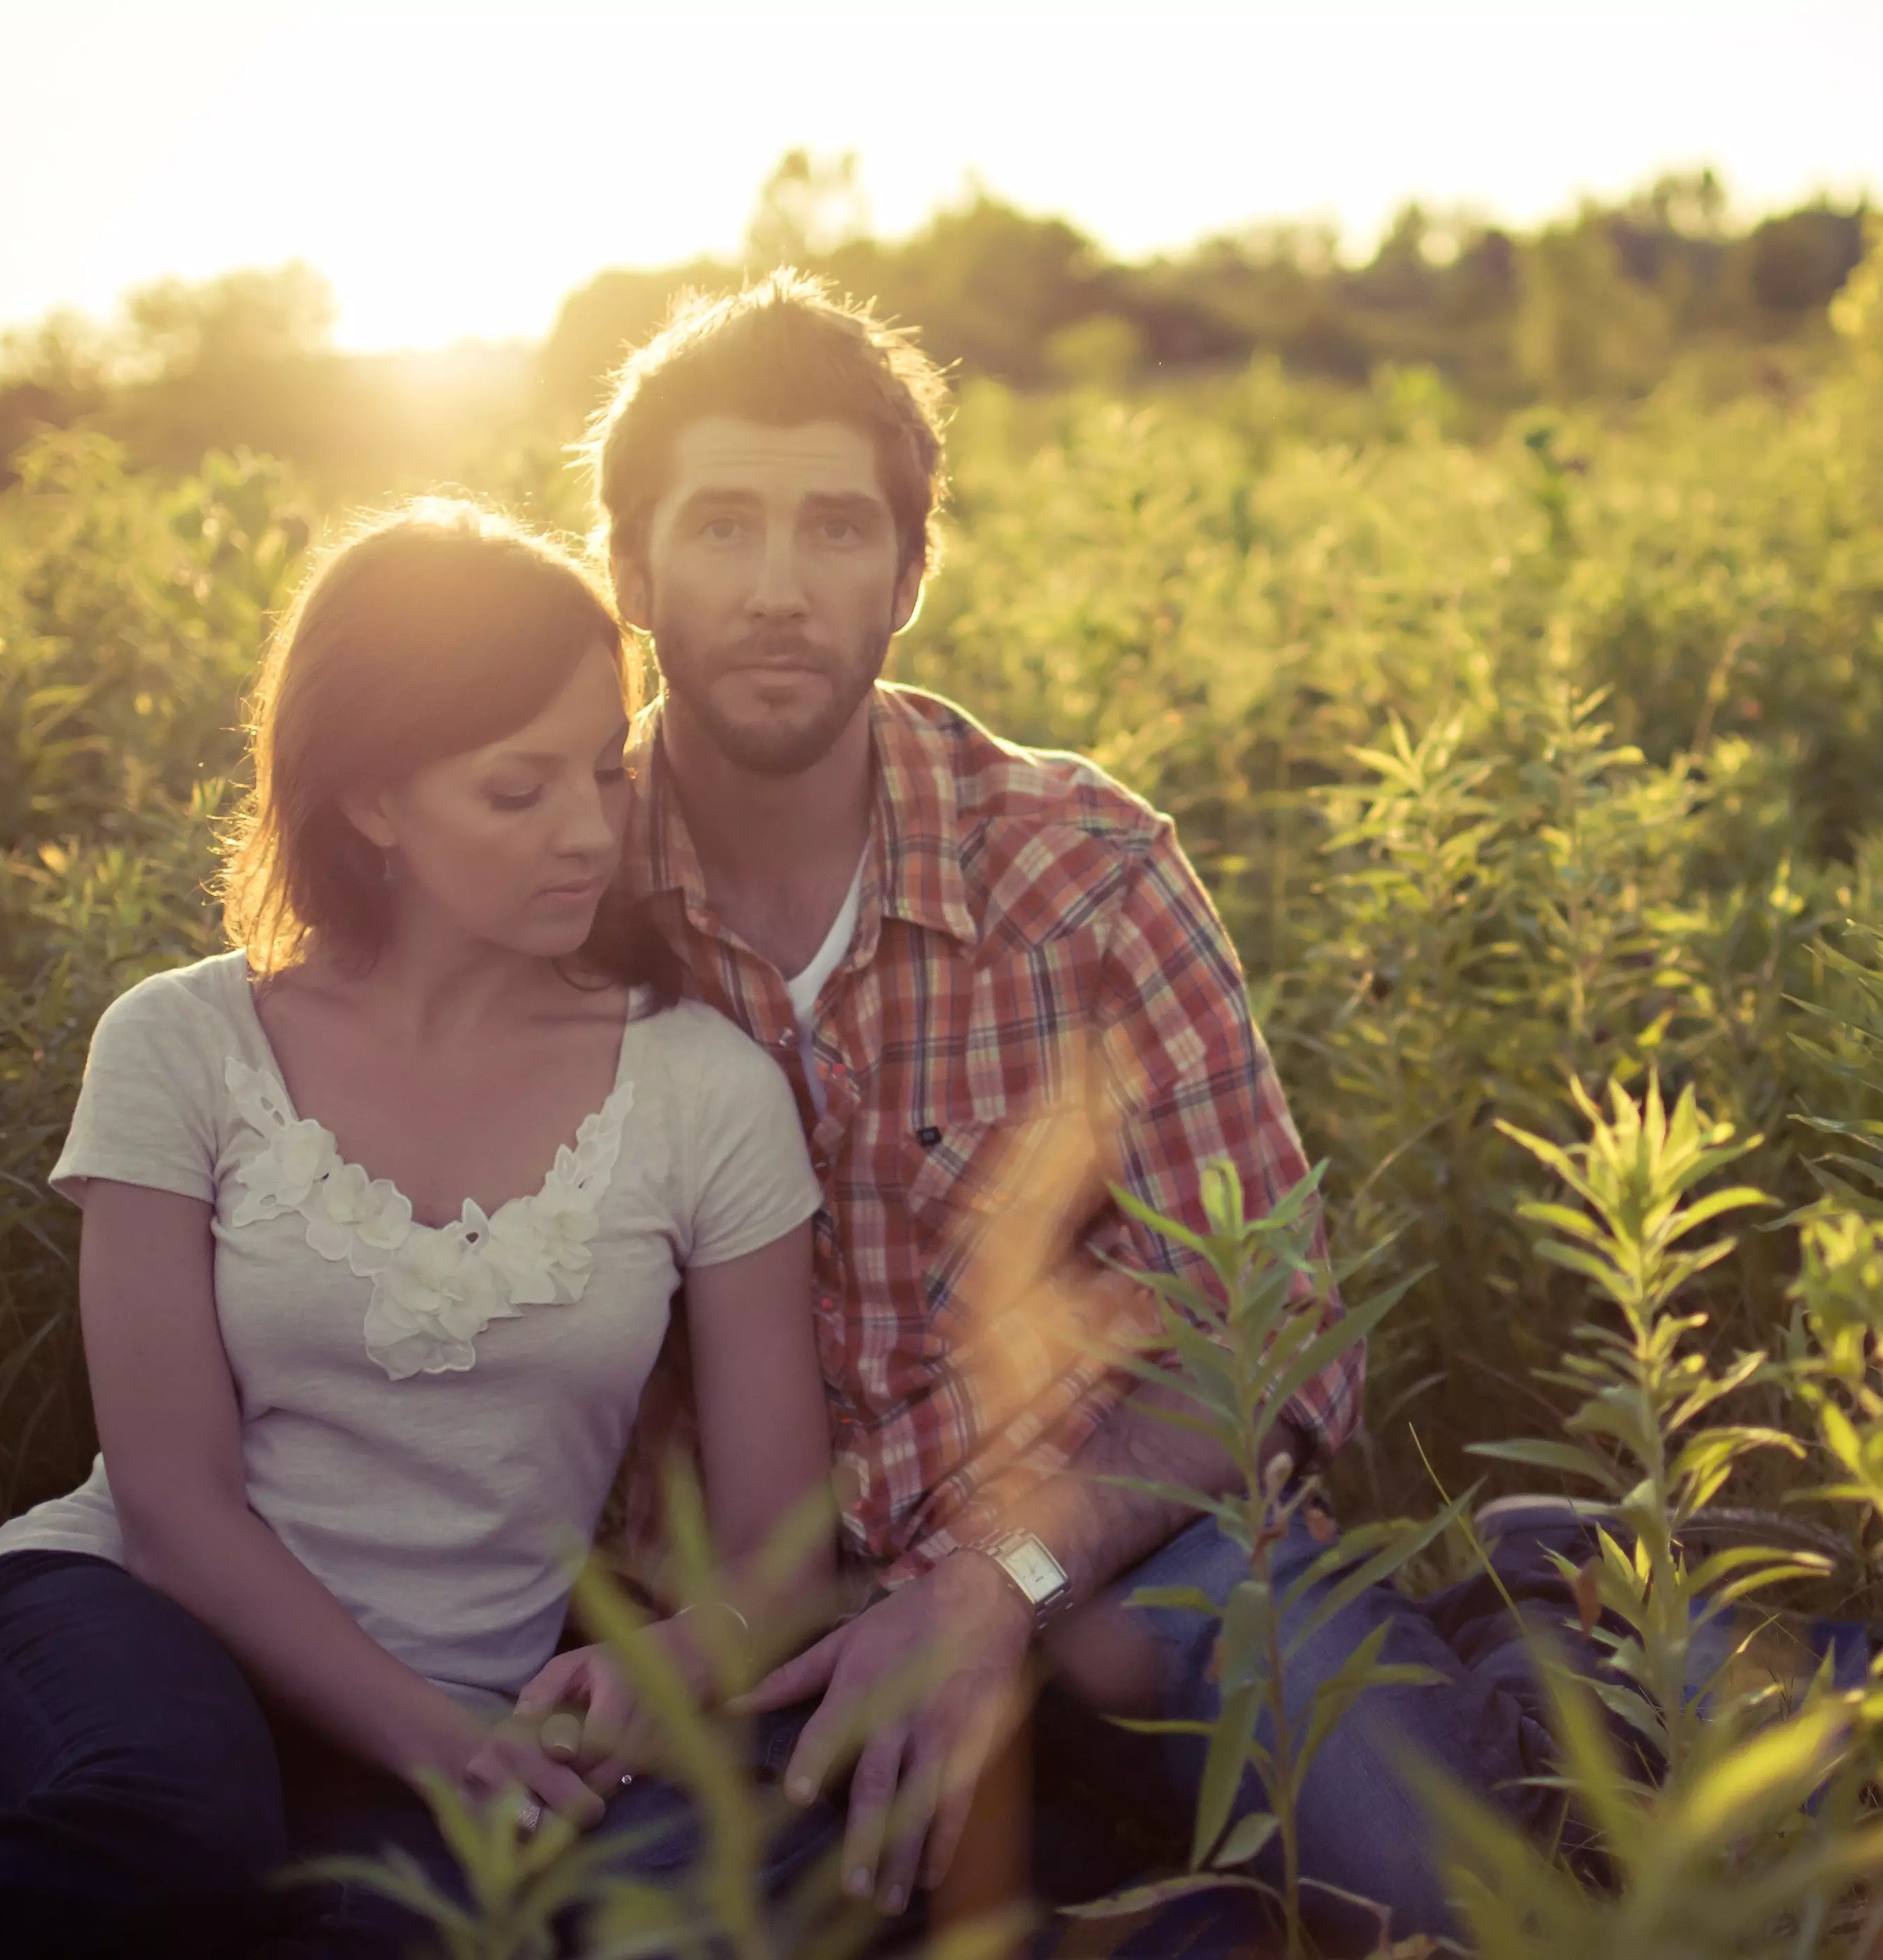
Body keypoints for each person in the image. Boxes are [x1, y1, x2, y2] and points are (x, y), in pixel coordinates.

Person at [564, 271, 1608, 1952]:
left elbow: (1264, 1334)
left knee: (1459, 1904)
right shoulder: (555, 891)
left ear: (907, 575)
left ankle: (1518, 1648)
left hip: (1125, 1571)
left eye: (836, 530)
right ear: (628, 567)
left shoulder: (1081, 868)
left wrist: (996, 1582)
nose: (776, 589)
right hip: (758, 1645)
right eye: (722, 527)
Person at [0, 502, 840, 1959]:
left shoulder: (704, 1085)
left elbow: (782, 1548)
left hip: (459, 1719)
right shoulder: (183, 1042)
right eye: (518, 790)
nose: (589, 828)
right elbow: (175, 1505)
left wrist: (678, 1660)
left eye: (601, 769)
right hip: (124, 1633)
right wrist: (442, 1747)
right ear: (372, 800)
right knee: (174, 1825)